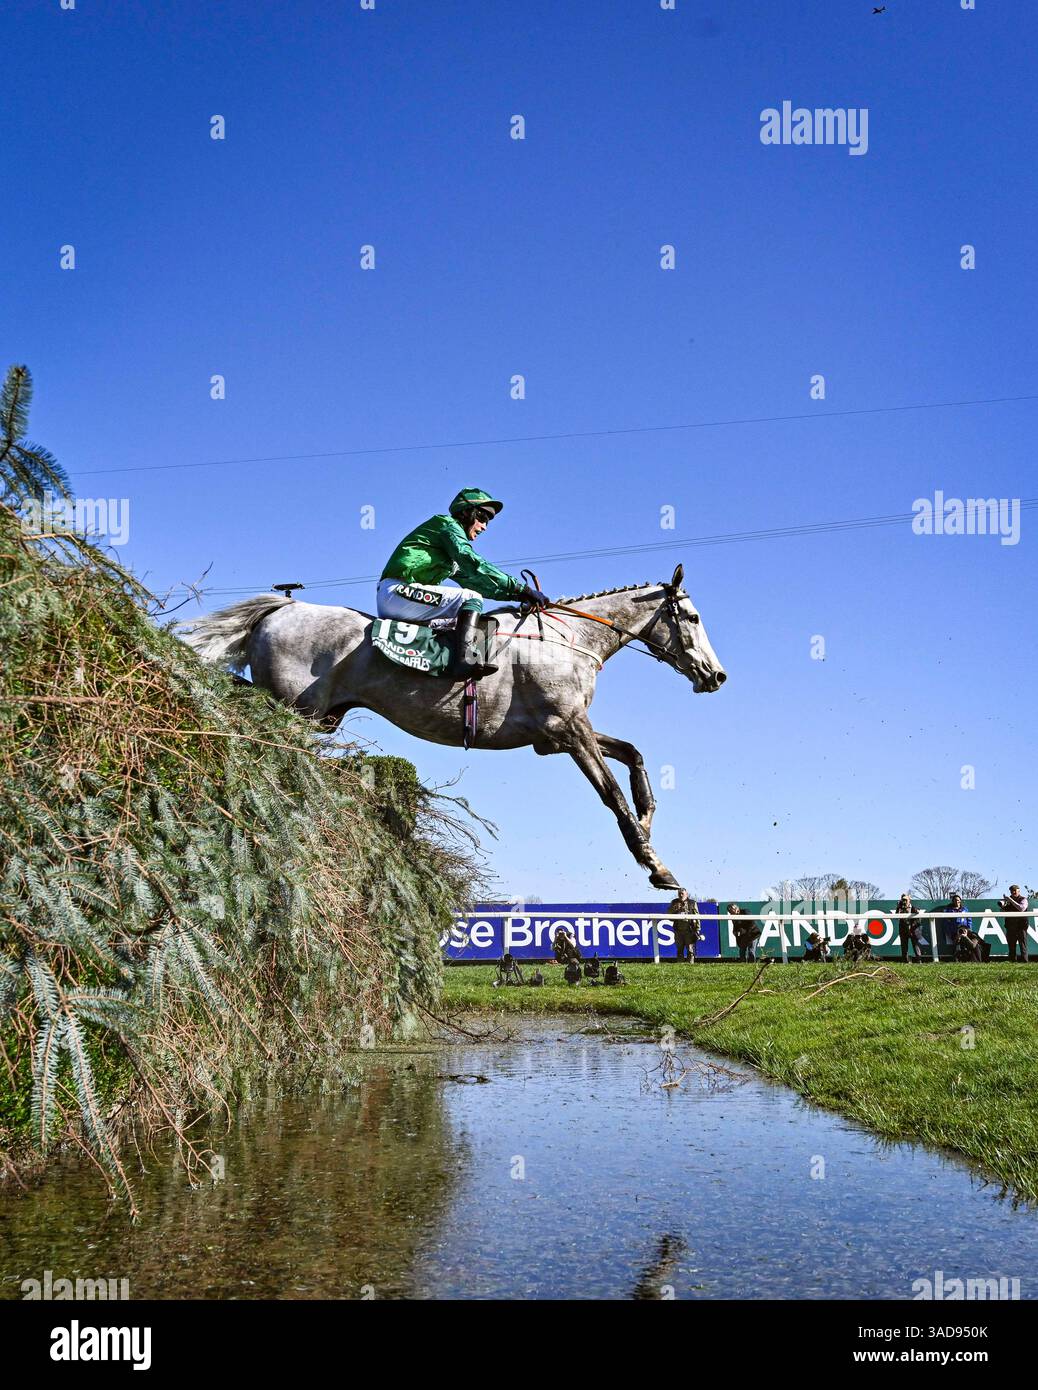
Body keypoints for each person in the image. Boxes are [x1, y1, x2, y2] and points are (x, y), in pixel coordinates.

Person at [377, 488, 551, 680]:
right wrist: (522, 588)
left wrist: (517, 596)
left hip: (409, 600)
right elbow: (472, 561)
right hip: (396, 593)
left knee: (481, 621)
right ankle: (464, 662)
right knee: (470, 598)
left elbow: (478, 582)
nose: (484, 527)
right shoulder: (447, 525)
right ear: (469, 513)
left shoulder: (451, 555)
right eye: (483, 519)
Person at [668, 888, 701, 962]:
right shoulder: (674, 902)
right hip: (678, 930)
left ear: (686, 894)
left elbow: (697, 916)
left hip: (689, 929)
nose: (681, 895)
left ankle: (691, 965)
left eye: (682, 893)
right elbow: (668, 914)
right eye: (679, 893)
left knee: (690, 949)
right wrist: (674, 909)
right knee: (679, 949)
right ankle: (680, 965)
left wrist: (698, 929)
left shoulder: (692, 903)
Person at [937, 893, 972, 960]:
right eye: (955, 900)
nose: (957, 902)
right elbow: (946, 922)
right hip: (954, 931)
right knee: (957, 943)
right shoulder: (949, 910)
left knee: (965, 943)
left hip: (964, 930)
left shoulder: (965, 909)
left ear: (960, 901)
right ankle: (956, 958)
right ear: (953, 901)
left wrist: (969, 929)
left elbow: (969, 919)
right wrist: (949, 931)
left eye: (958, 900)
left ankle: (965, 958)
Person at [1000, 885, 1030, 963]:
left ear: (1019, 891)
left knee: (1022, 945)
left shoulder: (1023, 899)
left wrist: (1010, 900)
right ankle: (1012, 961)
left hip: (1021, 926)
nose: (1013, 893)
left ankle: (1024, 961)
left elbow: (1021, 908)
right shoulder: (1008, 901)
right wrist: (1003, 905)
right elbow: (1002, 912)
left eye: (1015, 891)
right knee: (1011, 945)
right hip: (1010, 926)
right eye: (1011, 891)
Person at [895, 893, 926, 963]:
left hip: (913, 929)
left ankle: (919, 960)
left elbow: (918, 913)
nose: (904, 902)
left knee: (916, 946)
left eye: (905, 900)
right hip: (903, 929)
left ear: (909, 900)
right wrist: (898, 908)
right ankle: (905, 961)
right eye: (902, 900)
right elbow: (896, 917)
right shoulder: (900, 908)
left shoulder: (913, 907)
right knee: (904, 947)